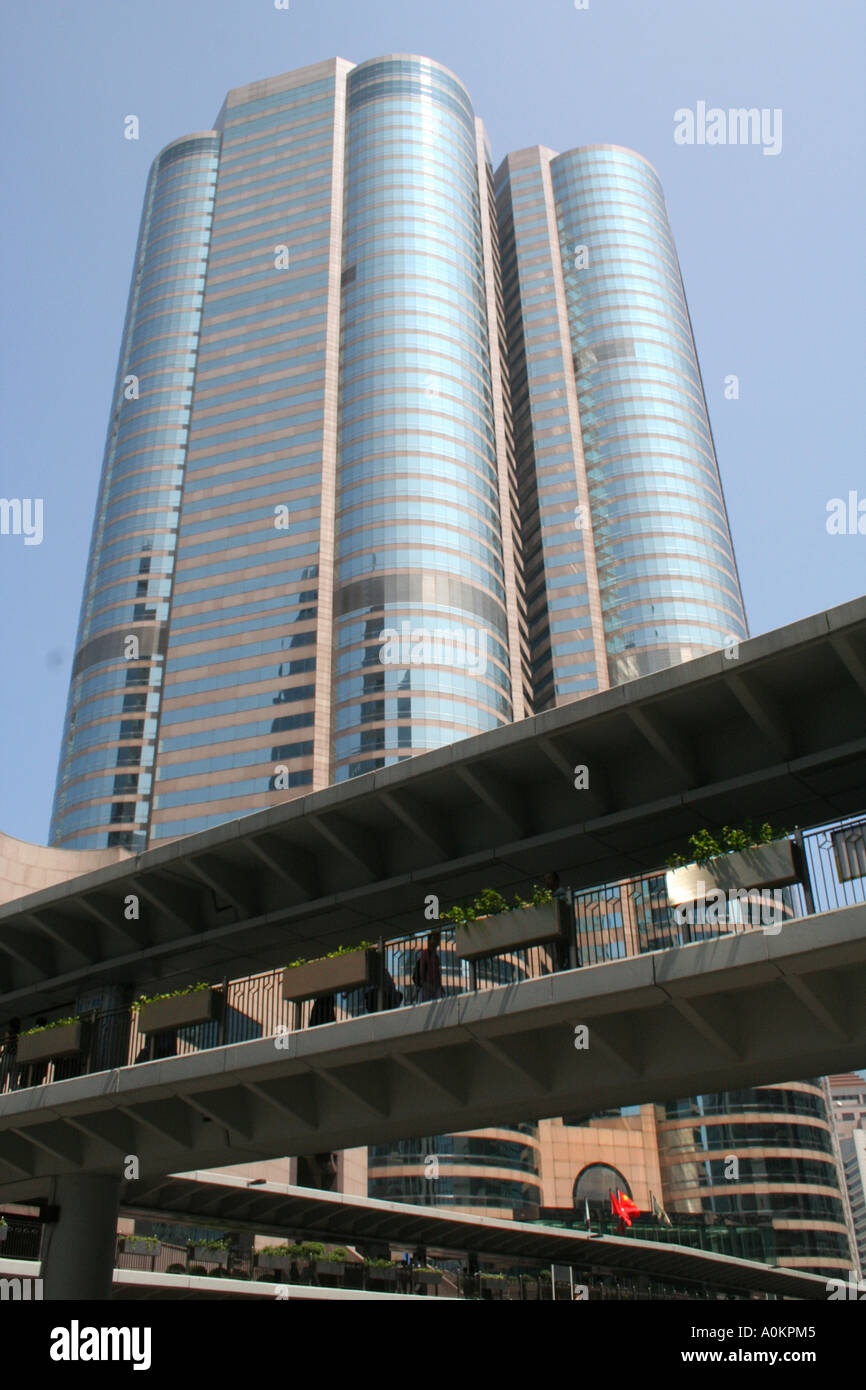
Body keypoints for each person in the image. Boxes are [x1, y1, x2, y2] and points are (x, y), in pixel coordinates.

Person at [416, 930, 444, 1002]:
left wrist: (440, 985)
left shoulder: (436, 957)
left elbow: (438, 972)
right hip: (427, 983)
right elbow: (422, 967)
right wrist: (422, 981)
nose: (437, 941)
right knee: (424, 1003)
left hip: (435, 984)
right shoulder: (426, 953)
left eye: (438, 939)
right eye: (435, 938)